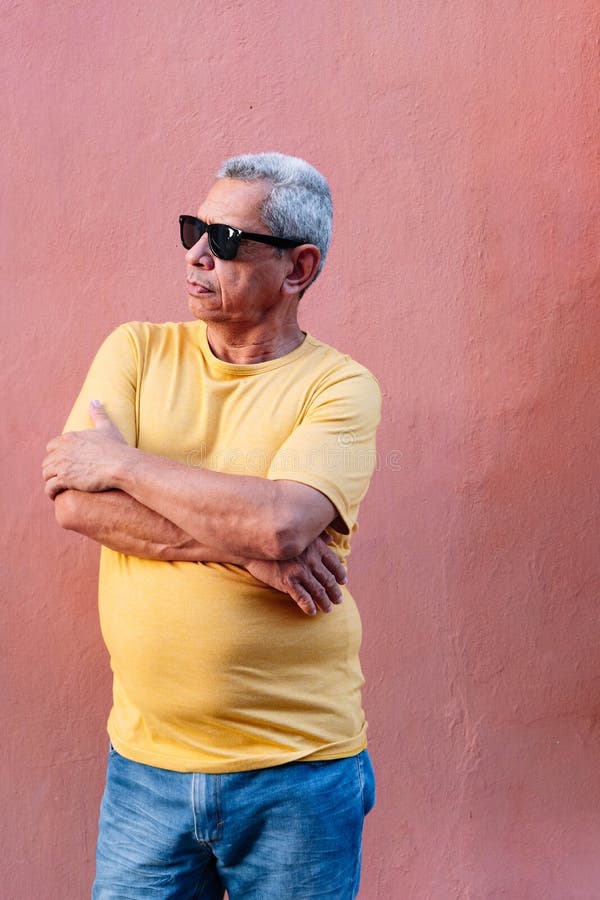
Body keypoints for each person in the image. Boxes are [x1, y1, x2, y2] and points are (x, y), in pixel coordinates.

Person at [43, 152, 381, 899]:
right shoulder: (135, 349)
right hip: (145, 767)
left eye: (225, 239)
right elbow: (73, 501)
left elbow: (286, 526)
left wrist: (124, 465)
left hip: (297, 774)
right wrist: (250, 553)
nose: (196, 253)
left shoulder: (340, 387)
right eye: (194, 228)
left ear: (298, 268)